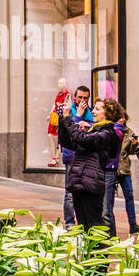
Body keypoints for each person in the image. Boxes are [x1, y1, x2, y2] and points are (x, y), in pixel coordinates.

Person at [57, 96, 123, 232]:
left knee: (94, 226)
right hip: (79, 182)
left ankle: (103, 246)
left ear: (108, 113)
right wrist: (62, 119)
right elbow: (67, 142)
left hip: (91, 184)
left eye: (97, 109)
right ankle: (90, 246)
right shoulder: (94, 130)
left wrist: (68, 118)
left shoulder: (108, 133)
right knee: (83, 224)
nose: (93, 111)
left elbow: (81, 139)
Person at [60, 85, 93, 225]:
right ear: (75, 97)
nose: (82, 100)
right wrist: (78, 116)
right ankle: (69, 223)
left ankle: (82, 221)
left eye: (85, 98)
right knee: (70, 192)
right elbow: (66, 130)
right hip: (71, 155)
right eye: (80, 97)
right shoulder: (69, 110)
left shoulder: (90, 112)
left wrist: (88, 125)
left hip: (86, 156)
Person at [106, 112, 139, 238]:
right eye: (119, 117)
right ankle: (110, 228)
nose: (122, 119)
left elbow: (132, 151)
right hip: (112, 169)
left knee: (129, 196)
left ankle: (133, 224)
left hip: (124, 169)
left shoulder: (129, 132)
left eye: (123, 117)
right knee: (109, 200)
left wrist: (134, 143)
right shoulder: (111, 131)